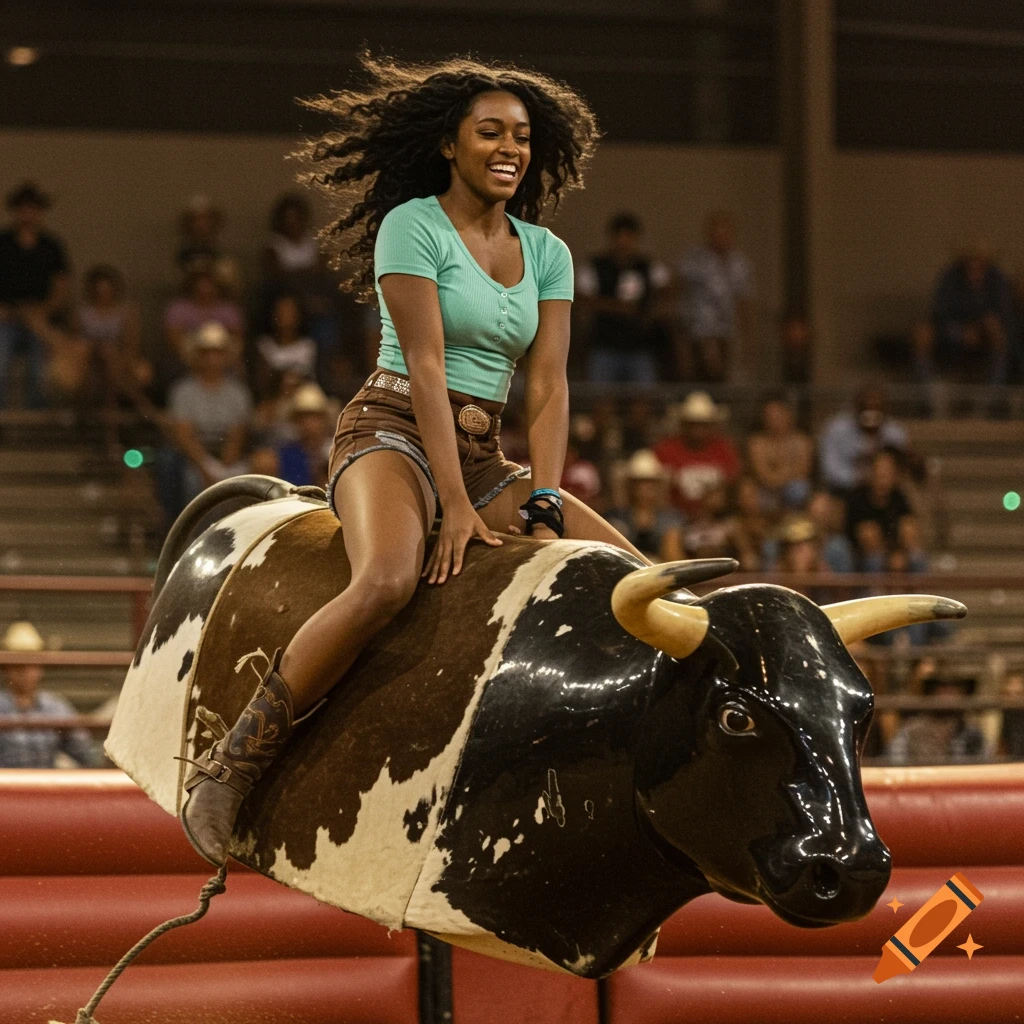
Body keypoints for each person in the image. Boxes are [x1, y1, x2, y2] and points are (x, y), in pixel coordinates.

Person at [177, 54, 647, 867]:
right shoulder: (413, 225)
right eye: (490, 132)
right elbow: (427, 366)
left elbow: (548, 383)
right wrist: (454, 508)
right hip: (390, 428)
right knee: (387, 581)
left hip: (483, 450)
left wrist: (543, 493)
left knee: (630, 569)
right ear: (449, 145)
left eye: (523, 137)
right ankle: (230, 767)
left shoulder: (548, 252)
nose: (510, 148)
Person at [163, 322, 253, 513]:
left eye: (217, 352)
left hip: (227, 456)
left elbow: (237, 435)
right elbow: (184, 435)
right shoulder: (183, 391)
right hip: (195, 457)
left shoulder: (238, 392)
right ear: (198, 356)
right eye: (207, 352)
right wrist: (206, 467)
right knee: (191, 481)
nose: (212, 358)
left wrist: (224, 467)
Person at [574, 212, 671, 383]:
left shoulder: (646, 265)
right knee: (602, 398)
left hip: (640, 343)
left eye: (629, 237)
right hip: (604, 344)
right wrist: (616, 307)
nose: (624, 242)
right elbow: (582, 298)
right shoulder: (597, 265)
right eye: (620, 236)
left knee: (642, 399)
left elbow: (667, 289)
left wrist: (648, 307)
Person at [0, 182, 71, 409]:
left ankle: (37, 420)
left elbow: (61, 287)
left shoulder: (52, 246)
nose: (28, 214)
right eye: (23, 208)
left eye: (33, 208)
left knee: (39, 363)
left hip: (41, 318)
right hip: (6, 318)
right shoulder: (3, 243)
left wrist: (42, 313)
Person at [0, 621, 98, 768]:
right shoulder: (54, 707)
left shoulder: (55, 707)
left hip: (44, 787)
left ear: (40, 667)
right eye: (17, 664)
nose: (24, 670)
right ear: (7, 668)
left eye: (30, 663)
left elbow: (86, 753)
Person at [915, 240, 1014, 385]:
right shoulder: (949, 277)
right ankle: (928, 392)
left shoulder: (997, 279)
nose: (975, 265)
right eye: (971, 260)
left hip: (983, 334)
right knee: (922, 334)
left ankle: (992, 395)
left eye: (980, 261)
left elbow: (1003, 312)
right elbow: (939, 311)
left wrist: (979, 327)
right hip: (950, 331)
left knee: (997, 332)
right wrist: (961, 330)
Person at [676, 210, 754, 382]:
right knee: (698, 377)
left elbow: (743, 300)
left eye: (726, 232)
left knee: (721, 378)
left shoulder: (739, 263)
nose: (721, 237)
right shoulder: (694, 259)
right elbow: (680, 293)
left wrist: (748, 338)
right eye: (717, 232)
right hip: (697, 330)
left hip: (726, 330)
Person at [653, 391, 740, 518]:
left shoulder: (724, 449)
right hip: (676, 517)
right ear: (683, 424)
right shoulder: (666, 449)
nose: (697, 430)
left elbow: (733, 484)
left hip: (718, 518)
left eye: (702, 424)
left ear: (711, 425)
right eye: (692, 424)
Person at [818, 385, 908, 495]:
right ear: (856, 407)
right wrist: (859, 478)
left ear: (884, 410)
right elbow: (830, 468)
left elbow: (899, 470)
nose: (871, 417)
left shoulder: (895, 434)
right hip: (845, 490)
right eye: (866, 410)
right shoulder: (836, 429)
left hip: (884, 492)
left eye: (876, 410)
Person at [607, 449, 685, 563]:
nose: (645, 488)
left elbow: (674, 559)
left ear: (658, 486)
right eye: (640, 482)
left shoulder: (670, 519)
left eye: (650, 483)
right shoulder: (616, 517)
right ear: (631, 485)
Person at [888, 677, 987, 765]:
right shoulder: (911, 731)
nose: (949, 693)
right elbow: (894, 760)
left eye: (955, 687)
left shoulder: (972, 733)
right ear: (932, 690)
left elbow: (986, 765)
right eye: (943, 687)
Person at [253, 381, 333, 489]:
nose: (308, 423)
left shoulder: (334, 452)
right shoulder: (287, 454)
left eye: (314, 417)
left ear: (324, 419)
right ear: (297, 421)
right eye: (304, 418)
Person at [747, 394, 813, 511]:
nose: (774, 420)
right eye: (769, 416)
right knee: (748, 491)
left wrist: (777, 476)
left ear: (788, 415)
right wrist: (787, 473)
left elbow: (803, 471)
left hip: (793, 491)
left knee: (799, 489)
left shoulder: (802, 441)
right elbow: (762, 475)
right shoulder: (757, 443)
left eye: (778, 415)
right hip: (765, 491)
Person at [252, 291, 318, 398]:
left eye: (290, 312)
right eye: (281, 311)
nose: (285, 316)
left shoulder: (308, 346)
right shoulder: (265, 345)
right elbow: (262, 383)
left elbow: (312, 381)